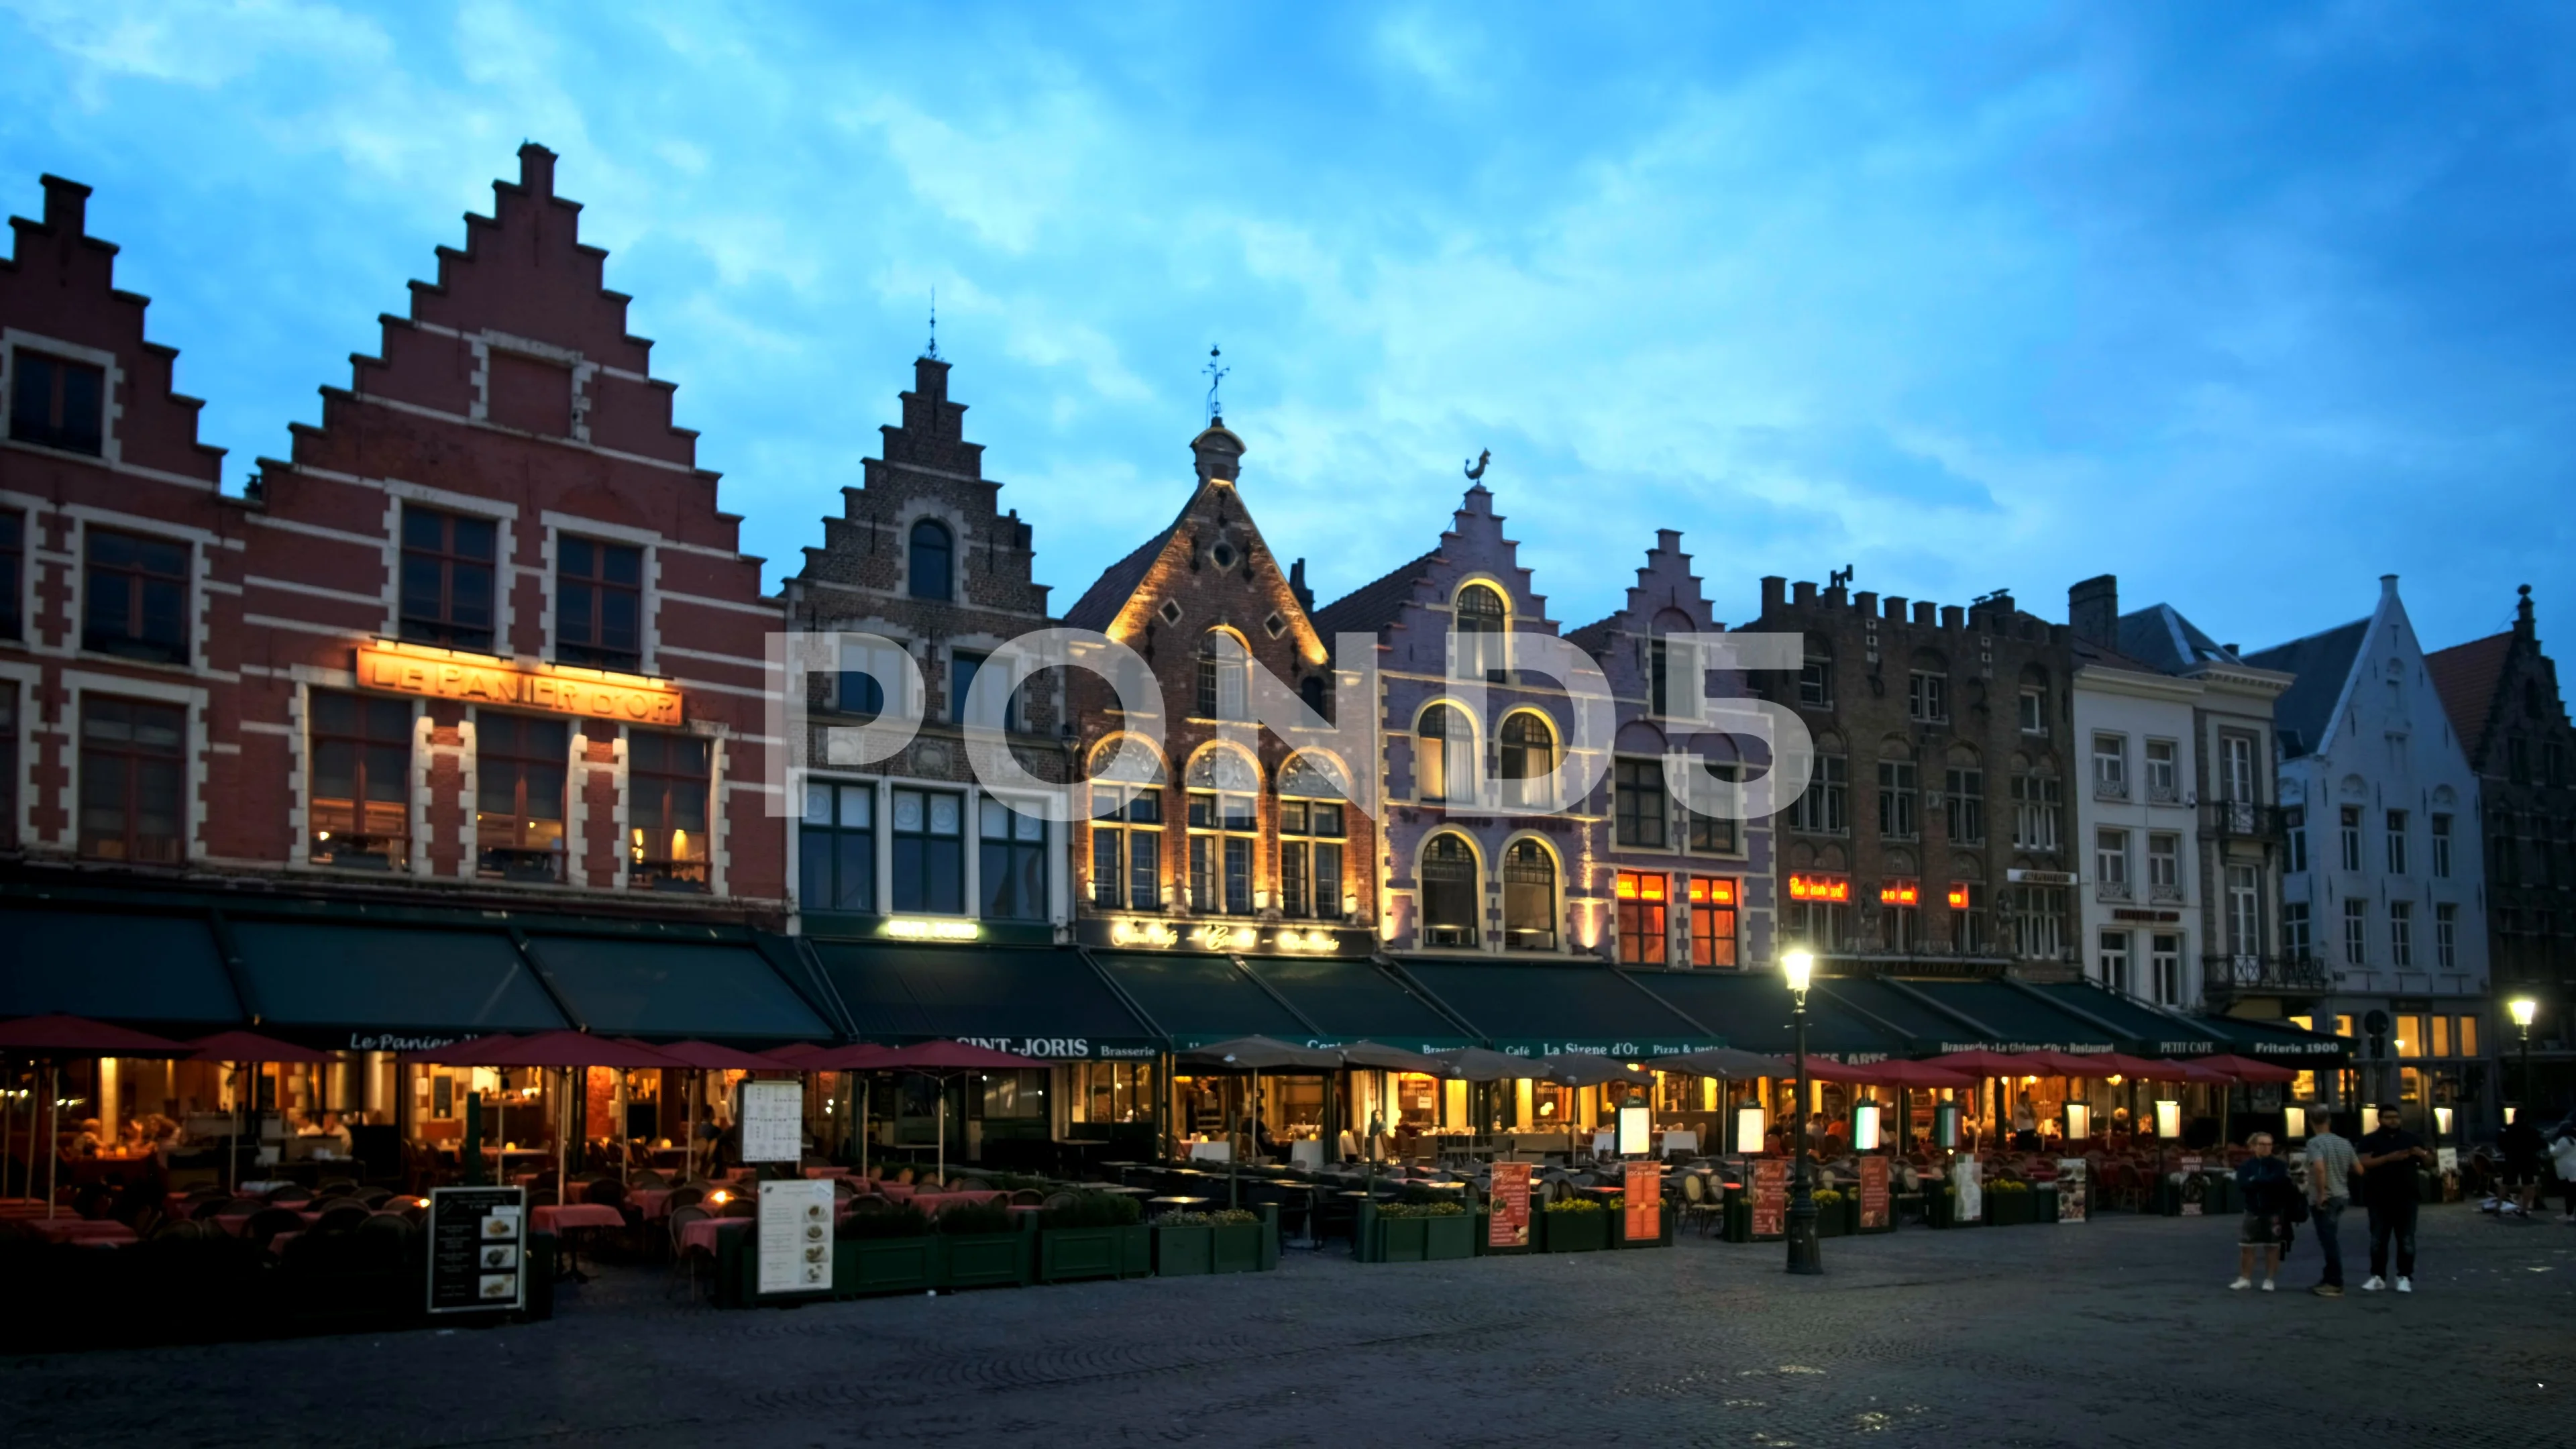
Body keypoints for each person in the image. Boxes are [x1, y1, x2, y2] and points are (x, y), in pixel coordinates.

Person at [2355, 1104, 2430, 1292]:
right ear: (2380, 1120)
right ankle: (2378, 1276)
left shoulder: (2411, 1139)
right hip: (2378, 1196)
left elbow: (2430, 1162)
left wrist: (2422, 1154)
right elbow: (2363, 1163)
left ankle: (2404, 1276)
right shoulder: (2370, 1140)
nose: (2393, 1120)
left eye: (2396, 1117)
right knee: (2378, 1238)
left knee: (2406, 1239)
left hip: (2407, 1196)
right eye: (2388, 1117)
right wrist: (2389, 1158)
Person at [2302, 1106, 2358, 1297]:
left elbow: (2319, 1168)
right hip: (2342, 1194)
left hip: (2327, 1196)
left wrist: (2321, 1193)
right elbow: (2359, 1169)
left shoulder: (2315, 1143)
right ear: (2329, 1121)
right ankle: (2328, 1278)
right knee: (2330, 1237)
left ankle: (2335, 1282)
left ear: (2310, 1122)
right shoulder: (2344, 1143)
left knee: (2328, 1240)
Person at [2230, 1132, 2292, 1291]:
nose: (2266, 1148)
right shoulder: (2246, 1166)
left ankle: (2269, 1280)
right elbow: (2243, 1184)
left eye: (2269, 1144)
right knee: (2246, 1245)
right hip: (2252, 1209)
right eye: (2262, 1144)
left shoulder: (2279, 1165)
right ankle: (2245, 1278)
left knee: (2272, 1246)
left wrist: (2256, 1180)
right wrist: (2264, 1182)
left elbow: (2278, 1182)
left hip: (2274, 1210)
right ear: (2254, 1146)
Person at [2498, 1110, 2546, 1220]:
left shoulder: (2507, 1129)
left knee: (2506, 1183)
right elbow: (2540, 1144)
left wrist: (2507, 1151)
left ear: (2514, 1117)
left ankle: (2498, 1207)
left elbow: (2501, 1143)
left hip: (2512, 1159)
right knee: (2528, 1184)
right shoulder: (2531, 1130)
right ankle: (2524, 1209)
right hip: (2527, 1159)